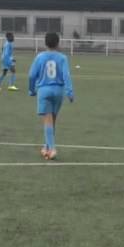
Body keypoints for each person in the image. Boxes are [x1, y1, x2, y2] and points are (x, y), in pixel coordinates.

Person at [27, 31, 74, 160]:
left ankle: (52, 149)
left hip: (44, 91)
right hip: (58, 91)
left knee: (47, 121)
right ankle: (46, 147)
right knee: (52, 121)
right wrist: (70, 92)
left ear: (45, 43)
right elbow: (66, 76)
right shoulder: (62, 58)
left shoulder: (40, 57)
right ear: (58, 43)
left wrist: (31, 90)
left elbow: (31, 75)